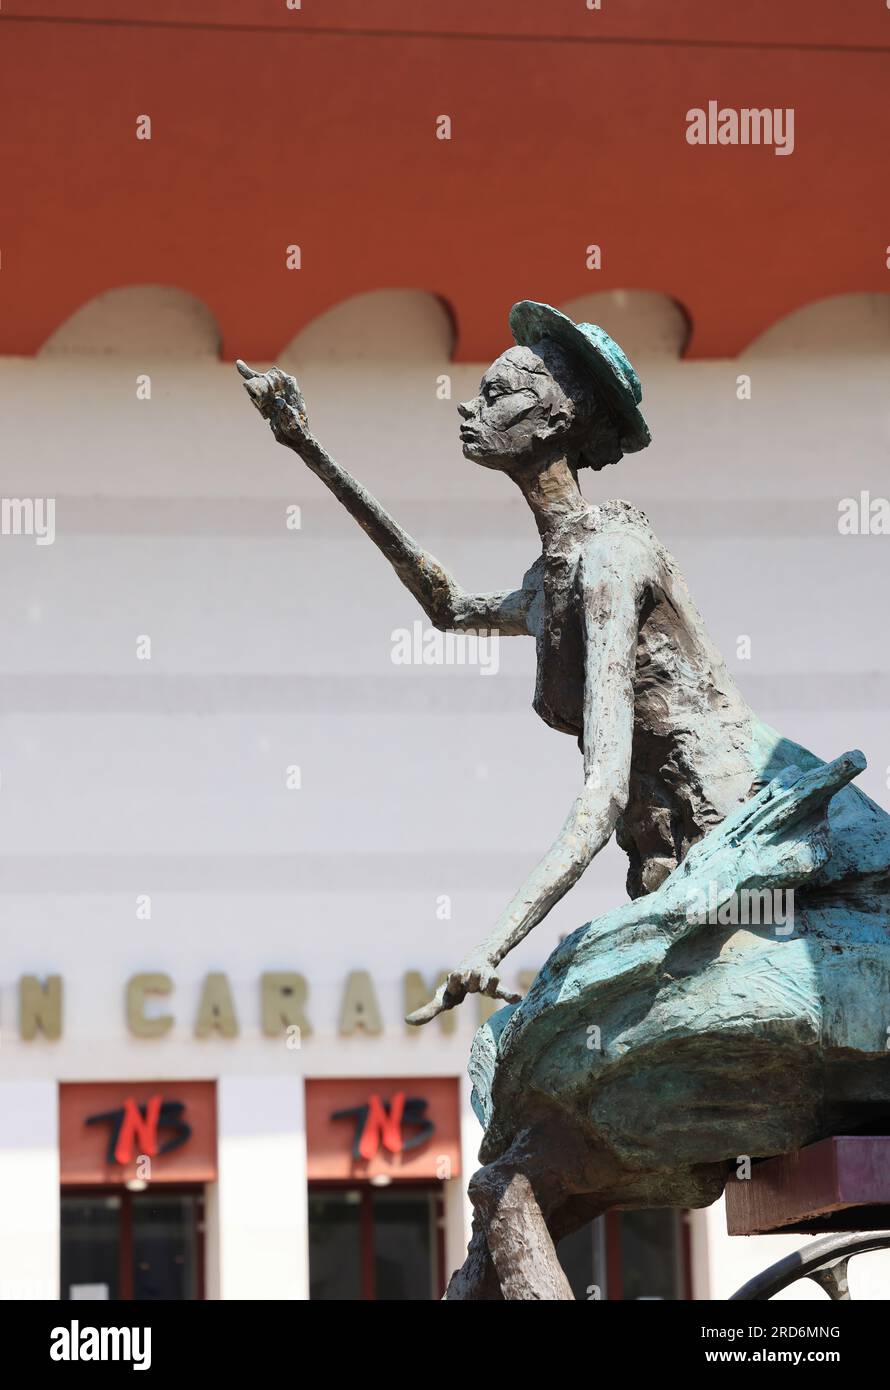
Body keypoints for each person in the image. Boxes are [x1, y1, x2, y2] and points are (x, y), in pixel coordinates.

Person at [237, 301, 890, 1026]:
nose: (468, 407)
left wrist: (493, 942)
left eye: (497, 394)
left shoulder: (611, 559)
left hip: (745, 822)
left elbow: (604, 788)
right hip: (668, 842)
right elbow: (448, 606)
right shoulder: (552, 580)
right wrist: (306, 445)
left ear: (556, 419)